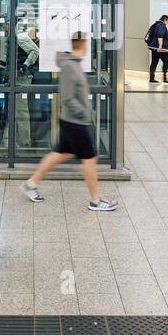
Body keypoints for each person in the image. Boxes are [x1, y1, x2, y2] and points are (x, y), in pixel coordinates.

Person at [21, 32, 117, 212]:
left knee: (61, 153)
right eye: (87, 42)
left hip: (72, 120)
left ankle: (31, 184)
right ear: (82, 44)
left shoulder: (73, 64)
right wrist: (83, 113)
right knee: (89, 159)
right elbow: (67, 97)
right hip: (76, 122)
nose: (88, 45)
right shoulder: (69, 67)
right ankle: (95, 200)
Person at [146, 14, 168, 83]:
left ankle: (152, 78)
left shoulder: (157, 24)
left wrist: (167, 45)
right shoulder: (162, 25)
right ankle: (164, 78)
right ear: (165, 20)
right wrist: (160, 46)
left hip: (154, 47)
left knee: (154, 62)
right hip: (159, 48)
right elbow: (160, 35)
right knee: (167, 61)